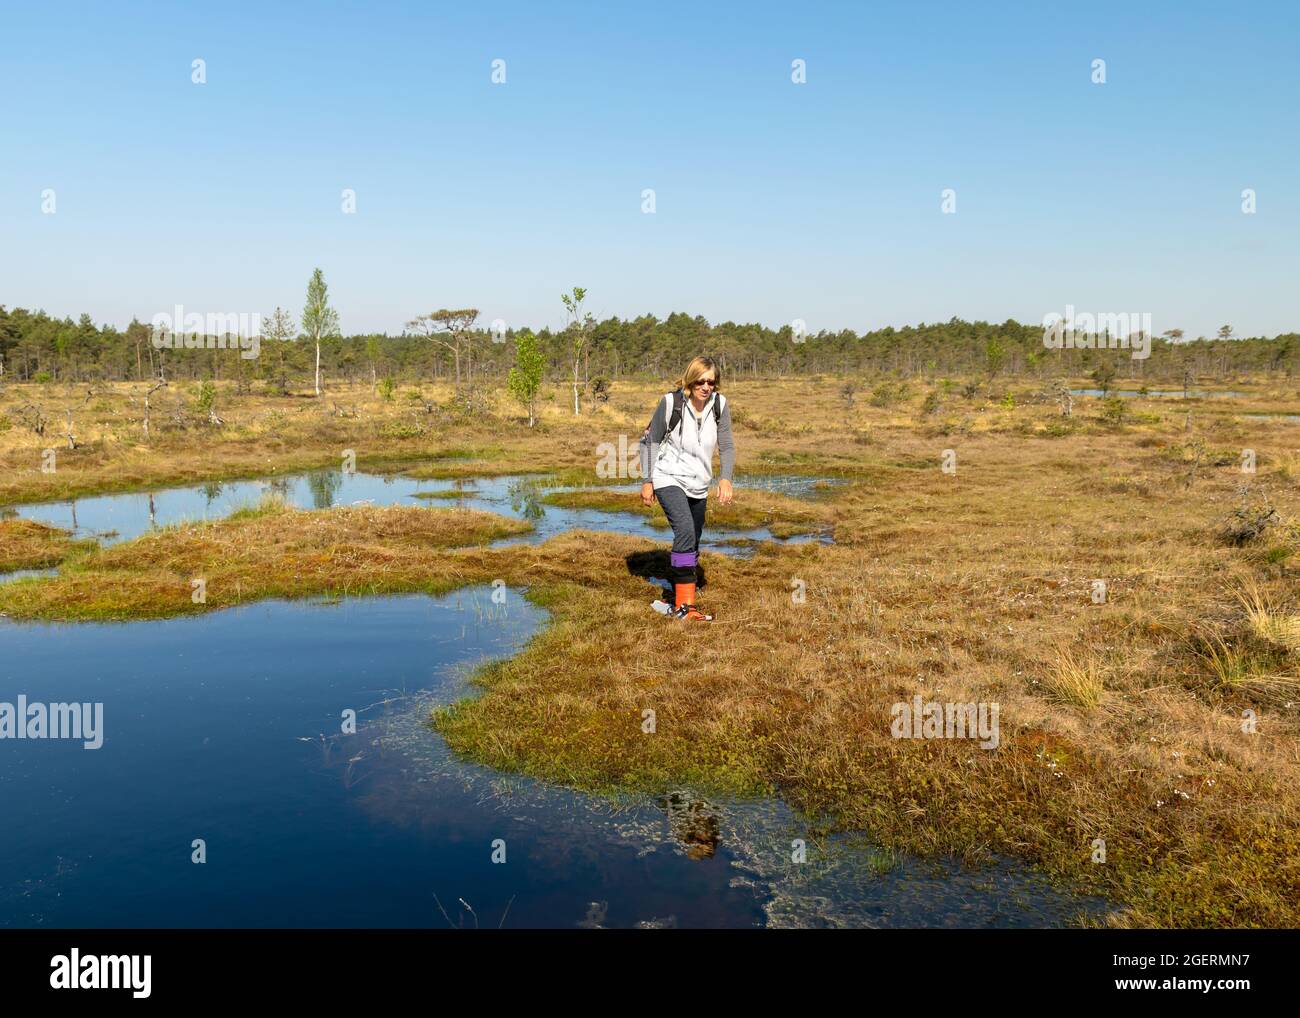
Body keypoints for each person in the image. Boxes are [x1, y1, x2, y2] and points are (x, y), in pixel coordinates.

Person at [638, 356, 735, 622]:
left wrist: (725, 478)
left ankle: (678, 596)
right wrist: (648, 480)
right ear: (690, 380)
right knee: (684, 531)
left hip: (699, 483)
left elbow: (726, 446)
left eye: (711, 382)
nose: (706, 387)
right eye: (701, 381)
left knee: (693, 539)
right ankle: (685, 607)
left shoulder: (720, 405)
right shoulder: (671, 403)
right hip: (668, 476)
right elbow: (650, 441)